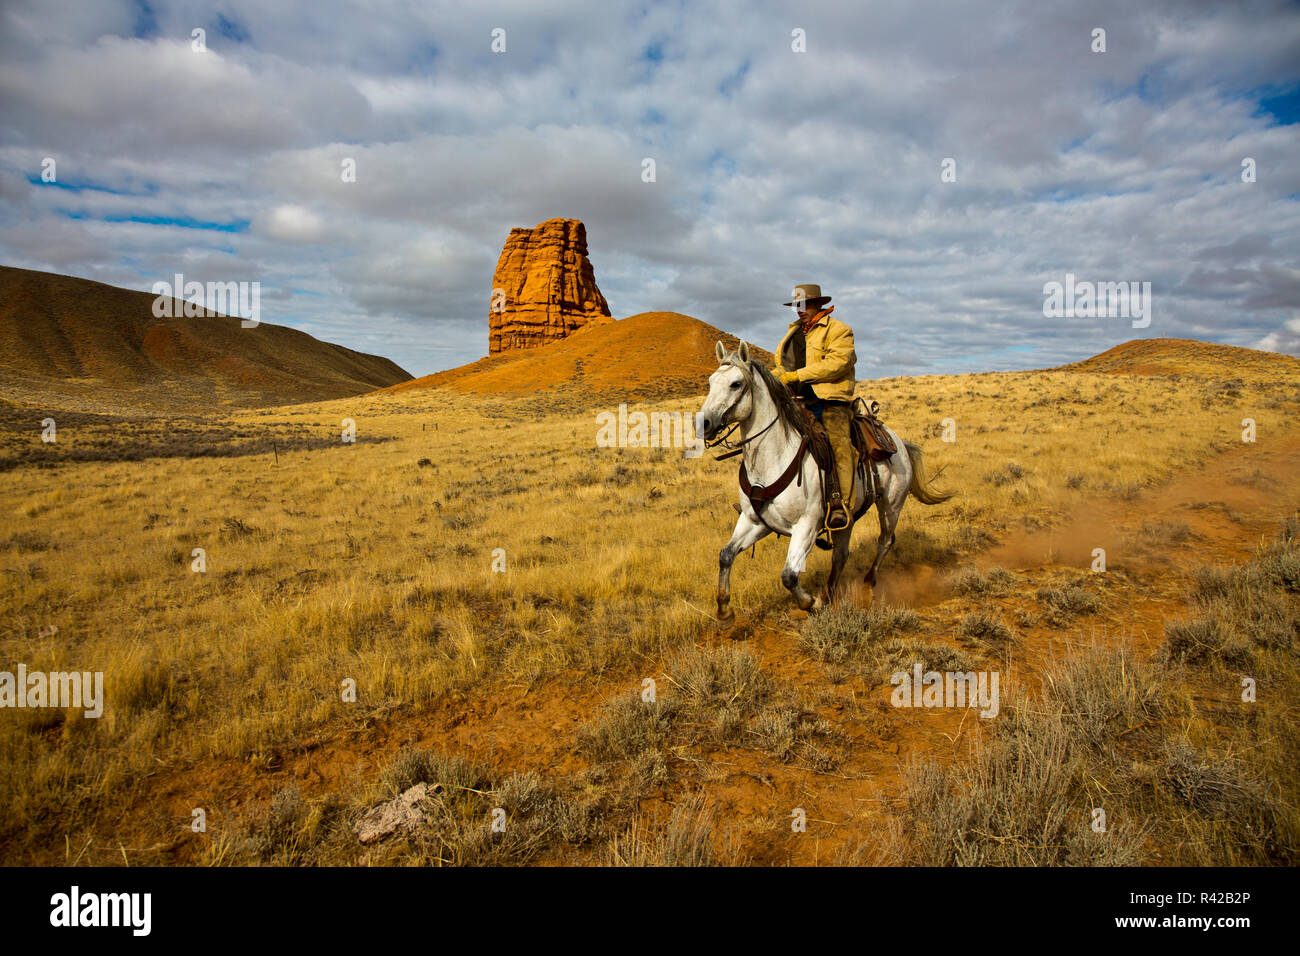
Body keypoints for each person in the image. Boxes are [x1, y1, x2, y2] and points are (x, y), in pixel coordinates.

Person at [773, 283, 857, 530]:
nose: (800, 310)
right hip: (798, 401)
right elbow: (784, 366)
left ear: (818, 304)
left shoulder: (839, 330)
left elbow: (838, 364)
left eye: (805, 305)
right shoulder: (793, 334)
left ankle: (840, 504)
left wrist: (797, 376)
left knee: (839, 445)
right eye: (797, 305)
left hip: (830, 400)